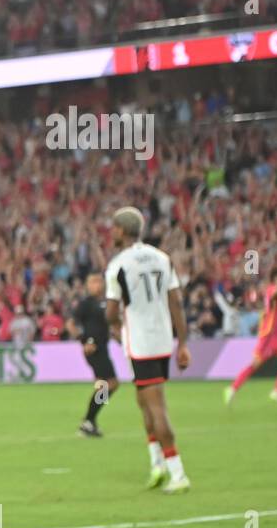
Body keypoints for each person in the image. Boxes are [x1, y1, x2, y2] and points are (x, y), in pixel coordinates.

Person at [104, 207, 191, 494]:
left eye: (113, 228)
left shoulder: (118, 265)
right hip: (162, 340)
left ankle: (178, 472)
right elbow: (176, 302)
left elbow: (111, 312)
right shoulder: (162, 258)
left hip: (141, 343)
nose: (111, 232)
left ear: (121, 230)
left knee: (156, 406)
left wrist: (116, 326)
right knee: (144, 402)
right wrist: (183, 344)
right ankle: (157, 465)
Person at [224, 269, 277, 406]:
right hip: (268, 336)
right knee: (254, 365)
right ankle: (232, 388)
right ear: (276, 279)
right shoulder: (271, 290)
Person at [71, 273, 118, 437]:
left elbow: (110, 324)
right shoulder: (86, 304)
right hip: (94, 349)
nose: (96, 284)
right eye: (92, 282)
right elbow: (71, 324)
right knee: (109, 384)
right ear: (87, 285)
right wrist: (83, 341)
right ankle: (89, 420)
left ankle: (90, 421)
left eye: (98, 281)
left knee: (104, 385)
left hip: (103, 347)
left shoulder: (105, 303)